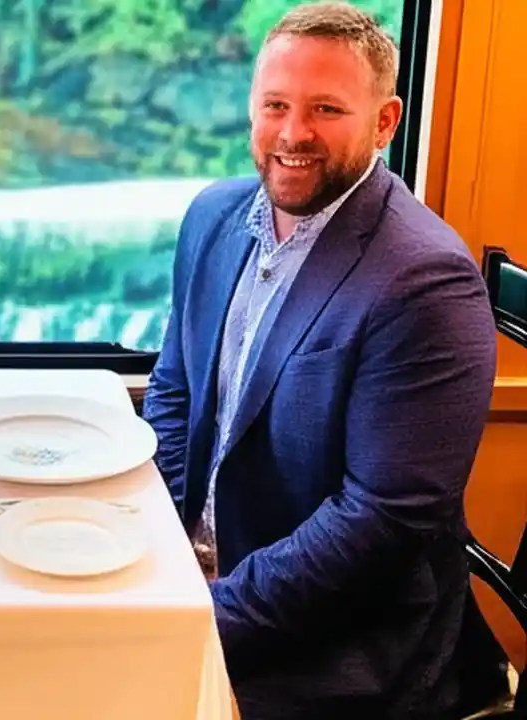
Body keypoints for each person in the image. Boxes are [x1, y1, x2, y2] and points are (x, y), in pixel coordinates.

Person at [143, 2, 504, 718]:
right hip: (204, 570)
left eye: (326, 109)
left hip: (338, 638)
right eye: (274, 104)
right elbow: (175, 391)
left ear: (385, 122)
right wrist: (170, 543)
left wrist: (206, 612)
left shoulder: (425, 281)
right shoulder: (213, 217)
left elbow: (378, 525)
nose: (292, 133)